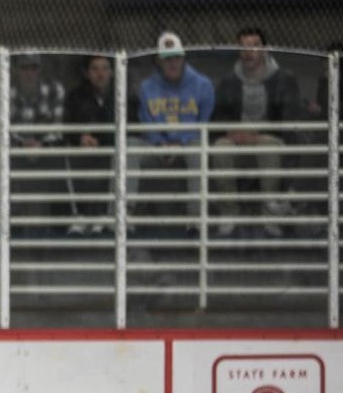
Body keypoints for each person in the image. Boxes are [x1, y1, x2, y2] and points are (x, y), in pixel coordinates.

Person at [211, 27, 306, 237]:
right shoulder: (228, 82)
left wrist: (259, 132)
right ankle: (229, 214)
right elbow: (218, 117)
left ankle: (270, 217)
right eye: (243, 47)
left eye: (254, 46)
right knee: (219, 149)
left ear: (265, 49)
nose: (248, 51)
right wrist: (231, 131)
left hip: (269, 138)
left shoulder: (284, 79)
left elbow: (289, 121)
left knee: (268, 147)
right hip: (237, 139)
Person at [135, 32, 215, 233]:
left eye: (177, 57)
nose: (173, 63)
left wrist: (181, 143)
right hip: (158, 147)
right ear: (158, 61)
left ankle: (195, 219)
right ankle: (122, 216)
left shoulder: (203, 84)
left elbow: (203, 124)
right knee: (129, 147)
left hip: (189, 144)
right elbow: (146, 122)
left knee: (199, 151)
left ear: (184, 57)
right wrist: (161, 144)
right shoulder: (146, 87)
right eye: (167, 58)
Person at [8, 53, 68, 236]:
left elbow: (57, 126)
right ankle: (11, 227)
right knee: (3, 162)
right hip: (18, 149)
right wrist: (24, 143)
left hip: (46, 147)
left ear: (40, 70)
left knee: (60, 158)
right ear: (16, 71)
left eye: (33, 68)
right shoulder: (4, 93)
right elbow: (6, 129)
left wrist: (40, 143)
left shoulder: (55, 90)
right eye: (24, 68)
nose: (29, 73)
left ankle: (61, 227)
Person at [63, 54, 120, 233]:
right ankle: (79, 216)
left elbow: (131, 127)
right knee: (68, 156)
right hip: (82, 151)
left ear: (112, 72)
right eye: (95, 69)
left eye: (105, 68)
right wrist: (80, 137)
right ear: (87, 73)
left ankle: (106, 216)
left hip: (111, 150)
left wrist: (101, 141)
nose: (100, 74)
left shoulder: (121, 95)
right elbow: (66, 127)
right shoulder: (75, 96)